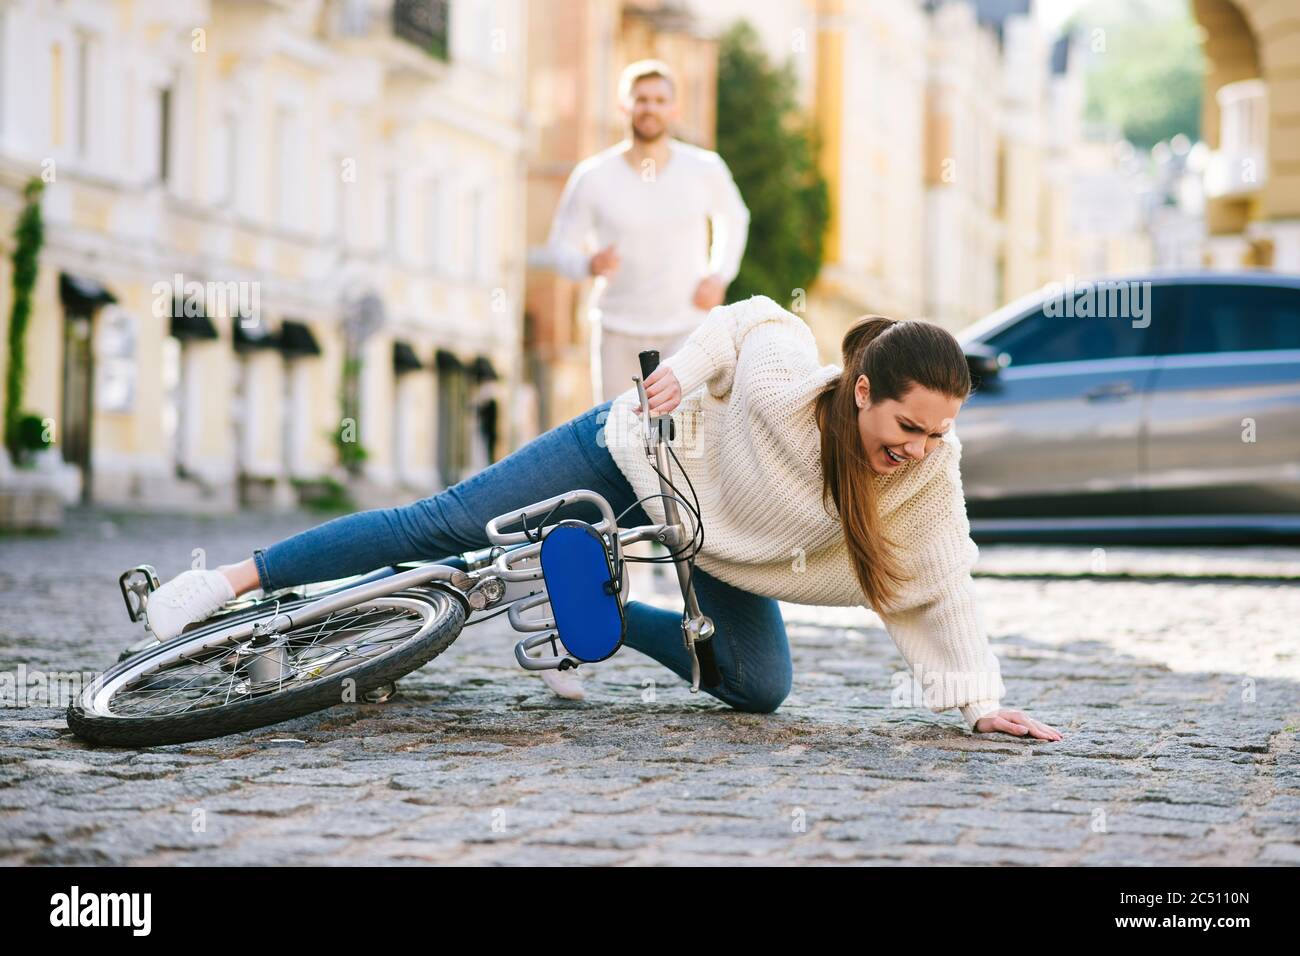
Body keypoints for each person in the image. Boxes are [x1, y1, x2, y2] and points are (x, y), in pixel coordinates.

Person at [144, 295, 1061, 741]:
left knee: (758, 685)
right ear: (862, 393)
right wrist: (690, 370)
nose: (920, 447)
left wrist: (978, 703)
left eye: (940, 433)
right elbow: (750, 319)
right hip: (632, 455)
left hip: (716, 543)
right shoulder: (792, 385)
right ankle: (223, 581)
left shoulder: (926, 475)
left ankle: (589, 609)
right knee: (445, 524)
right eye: (907, 425)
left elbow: (939, 584)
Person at [532, 58, 750, 405]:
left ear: (674, 109)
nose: (650, 108)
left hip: (686, 330)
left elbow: (735, 219)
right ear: (624, 107)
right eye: (641, 99)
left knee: (683, 440)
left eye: (660, 100)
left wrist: (719, 275)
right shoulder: (594, 177)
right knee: (621, 438)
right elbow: (560, 247)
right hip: (618, 331)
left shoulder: (704, 169)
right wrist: (588, 265)